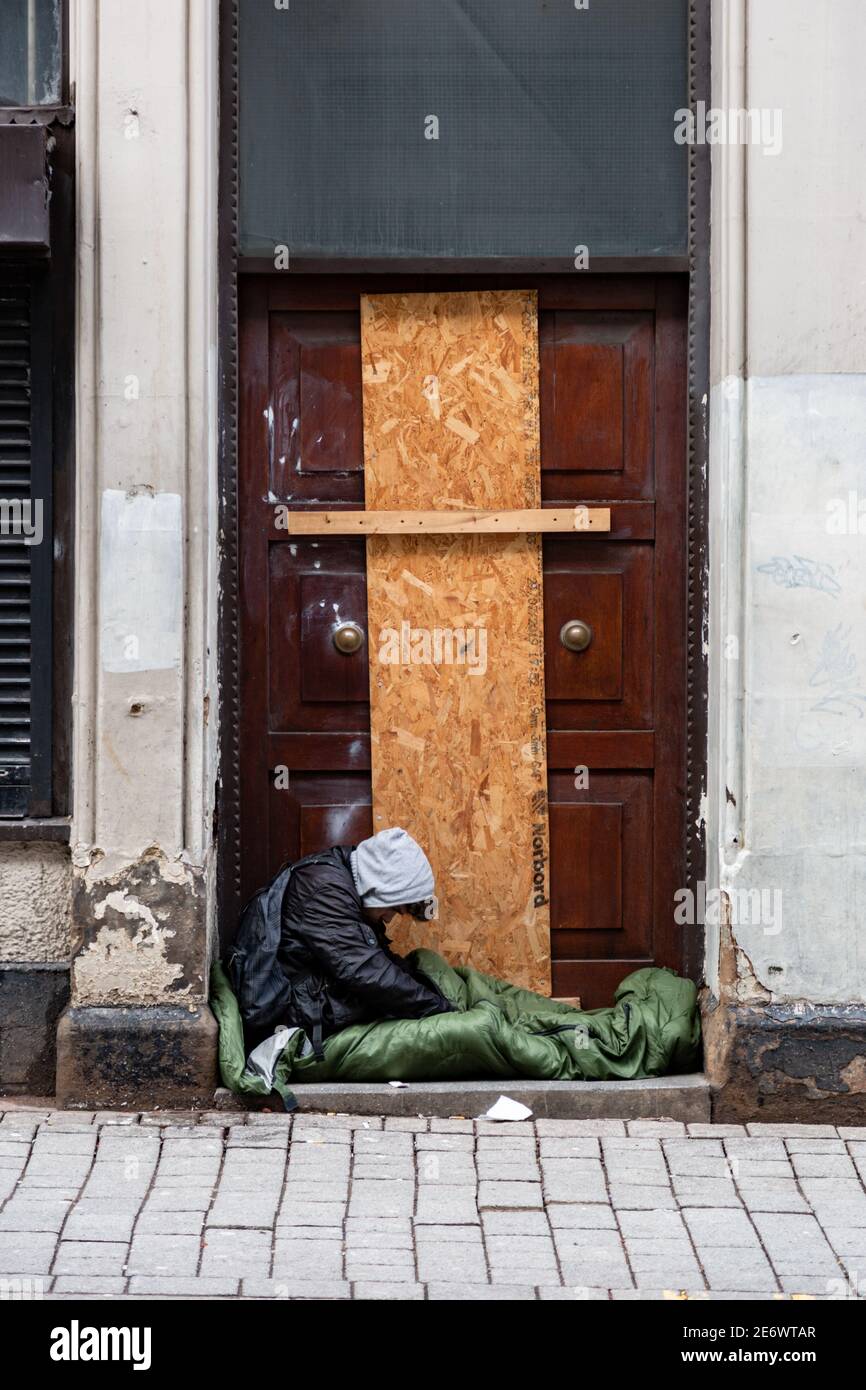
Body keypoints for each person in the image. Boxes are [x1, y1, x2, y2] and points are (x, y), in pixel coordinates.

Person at [231, 827, 453, 1055]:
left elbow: (375, 958)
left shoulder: (346, 877)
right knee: (378, 995)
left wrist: (430, 992)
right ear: (377, 887)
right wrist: (439, 1011)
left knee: (397, 986)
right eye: (392, 907)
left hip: (302, 992)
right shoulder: (324, 890)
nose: (389, 917)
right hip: (284, 1013)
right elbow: (367, 973)